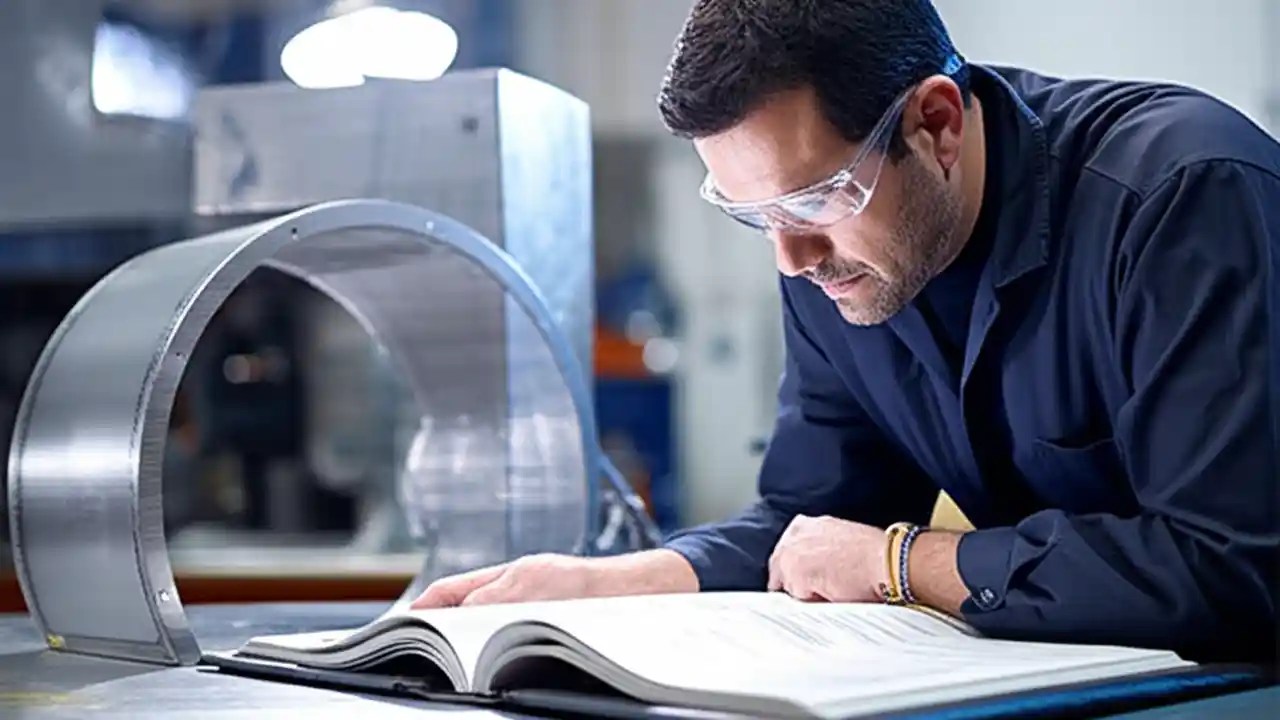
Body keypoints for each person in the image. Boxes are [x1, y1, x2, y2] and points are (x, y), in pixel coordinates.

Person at [413, 0, 1279, 663]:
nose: (791, 258)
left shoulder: (1182, 199)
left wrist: (903, 564)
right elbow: (814, 525)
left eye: (815, 198)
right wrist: (613, 582)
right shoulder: (834, 263)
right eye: (752, 216)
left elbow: (1233, 569)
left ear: (935, 123)